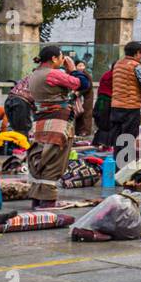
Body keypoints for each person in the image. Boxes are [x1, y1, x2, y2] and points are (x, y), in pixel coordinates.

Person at [26, 46, 82, 208]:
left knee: (39, 155)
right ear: (54, 58)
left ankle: (37, 197)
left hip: (39, 122)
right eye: (61, 57)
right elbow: (80, 84)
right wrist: (72, 69)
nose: (62, 60)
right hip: (58, 122)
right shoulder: (54, 74)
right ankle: (48, 200)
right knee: (55, 158)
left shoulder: (34, 74)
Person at [107, 41, 141, 168]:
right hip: (130, 108)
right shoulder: (137, 67)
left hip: (116, 106)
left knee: (118, 138)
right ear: (138, 53)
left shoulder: (117, 64)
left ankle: (117, 167)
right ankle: (126, 169)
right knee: (128, 138)